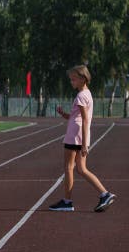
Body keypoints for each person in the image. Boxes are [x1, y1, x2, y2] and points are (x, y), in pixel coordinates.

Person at [49, 65, 116, 212]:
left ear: (82, 79)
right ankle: (105, 194)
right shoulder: (86, 94)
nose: (71, 82)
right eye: (71, 79)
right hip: (79, 135)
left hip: (74, 136)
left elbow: (85, 120)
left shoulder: (81, 96)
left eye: (73, 79)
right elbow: (77, 117)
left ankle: (67, 202)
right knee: (81, 169)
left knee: (69, 168)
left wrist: (85, 144)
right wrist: (64, 114)